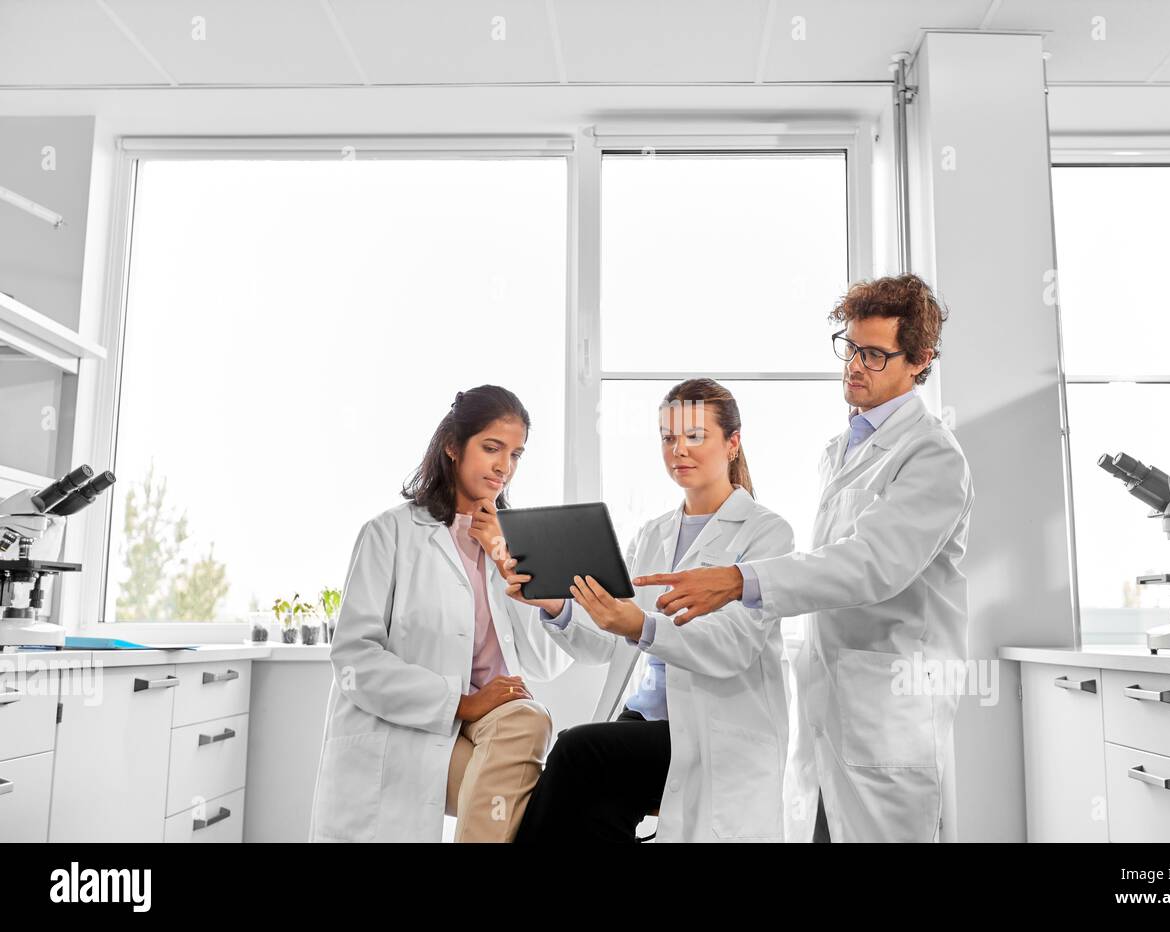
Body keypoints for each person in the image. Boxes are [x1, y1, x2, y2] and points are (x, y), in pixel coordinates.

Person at [635, 275, 974, 843]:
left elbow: (872, 565)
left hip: (888, 707)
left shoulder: (932, 454)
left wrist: (742, 580)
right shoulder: (840, 451)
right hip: (829, 701)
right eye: (849, 347)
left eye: (874, 354)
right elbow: (829, 569)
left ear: (920, 361)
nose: (855, 365)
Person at [506, 378, 795, 842]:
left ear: (733, 443)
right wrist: (558, 606)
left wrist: (642, 625)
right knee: (588, 812)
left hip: (711, 731)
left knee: (578, 752)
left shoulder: (766, 533)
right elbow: (610, 643)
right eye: (668, 437)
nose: (679, 449)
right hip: (645, 721)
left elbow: (733, 648)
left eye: (695, 435)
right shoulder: (653, 534)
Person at [308, 385, 570, 842]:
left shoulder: (514, 543)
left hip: (492, 722)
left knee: (532, 720)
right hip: (409, 723)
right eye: (492, 448)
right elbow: (354, 656)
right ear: (453, 445)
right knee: (524, 806)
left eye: (515, 455)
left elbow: (549, 660)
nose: (503, 468)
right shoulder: (389, 533)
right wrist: (461, 702)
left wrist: (511, 562)